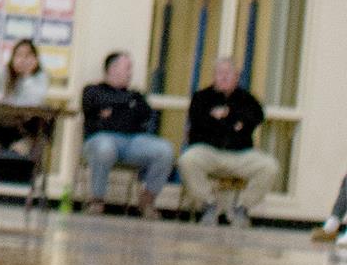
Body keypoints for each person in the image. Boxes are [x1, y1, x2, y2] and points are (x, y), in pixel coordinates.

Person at [178, 56, 279, 224]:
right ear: (214, 76)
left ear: (236, 76)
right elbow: (199, 123)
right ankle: (208, 205)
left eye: (228, 73)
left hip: (239, 155)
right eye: (219, 73)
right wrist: (233, 123)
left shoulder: (246, 99)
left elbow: (256, 117)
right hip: (208, 152)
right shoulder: (201, 98)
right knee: (187, 160)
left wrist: (225, 117)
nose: (223, 77)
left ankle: (242, 208)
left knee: (269, 166)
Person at [80, 51, 173, 213]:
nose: (130, 73)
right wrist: (127, 105)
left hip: (132, 141)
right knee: (105, 148)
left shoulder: (135, 95)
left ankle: (148, 199)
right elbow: (93, 106)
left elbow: (146, 114)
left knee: (165, 150)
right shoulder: (92, 90)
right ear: (113, 69)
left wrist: (113, 111)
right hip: (99, 139)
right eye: (127, 68)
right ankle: (97, 199)